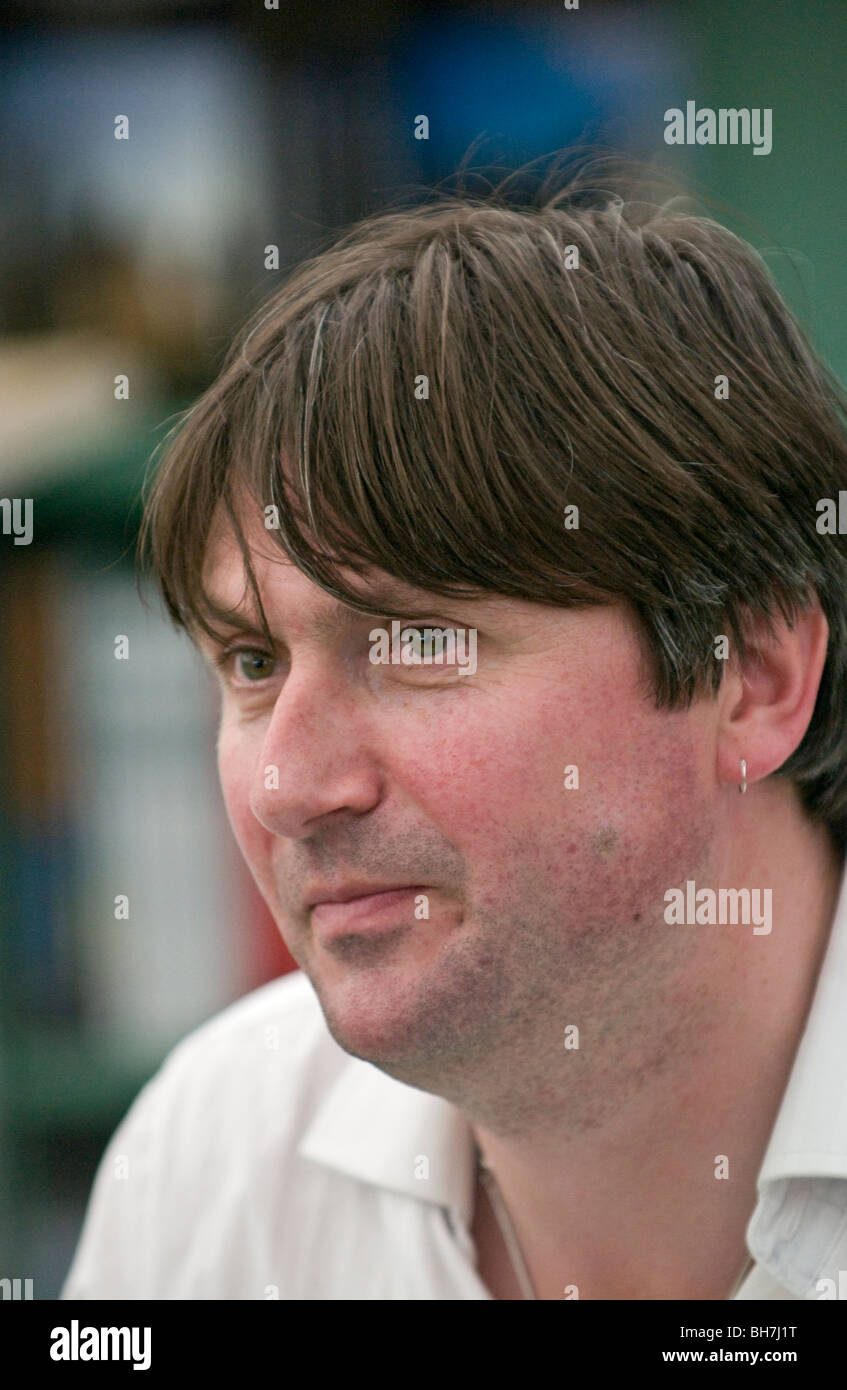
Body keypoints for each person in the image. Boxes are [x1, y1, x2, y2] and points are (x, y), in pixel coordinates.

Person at [62, 158, 847, 1300]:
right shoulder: (218, 1150)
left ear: (756, 676)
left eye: (415, 643)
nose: (288, 783)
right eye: (251, 661)